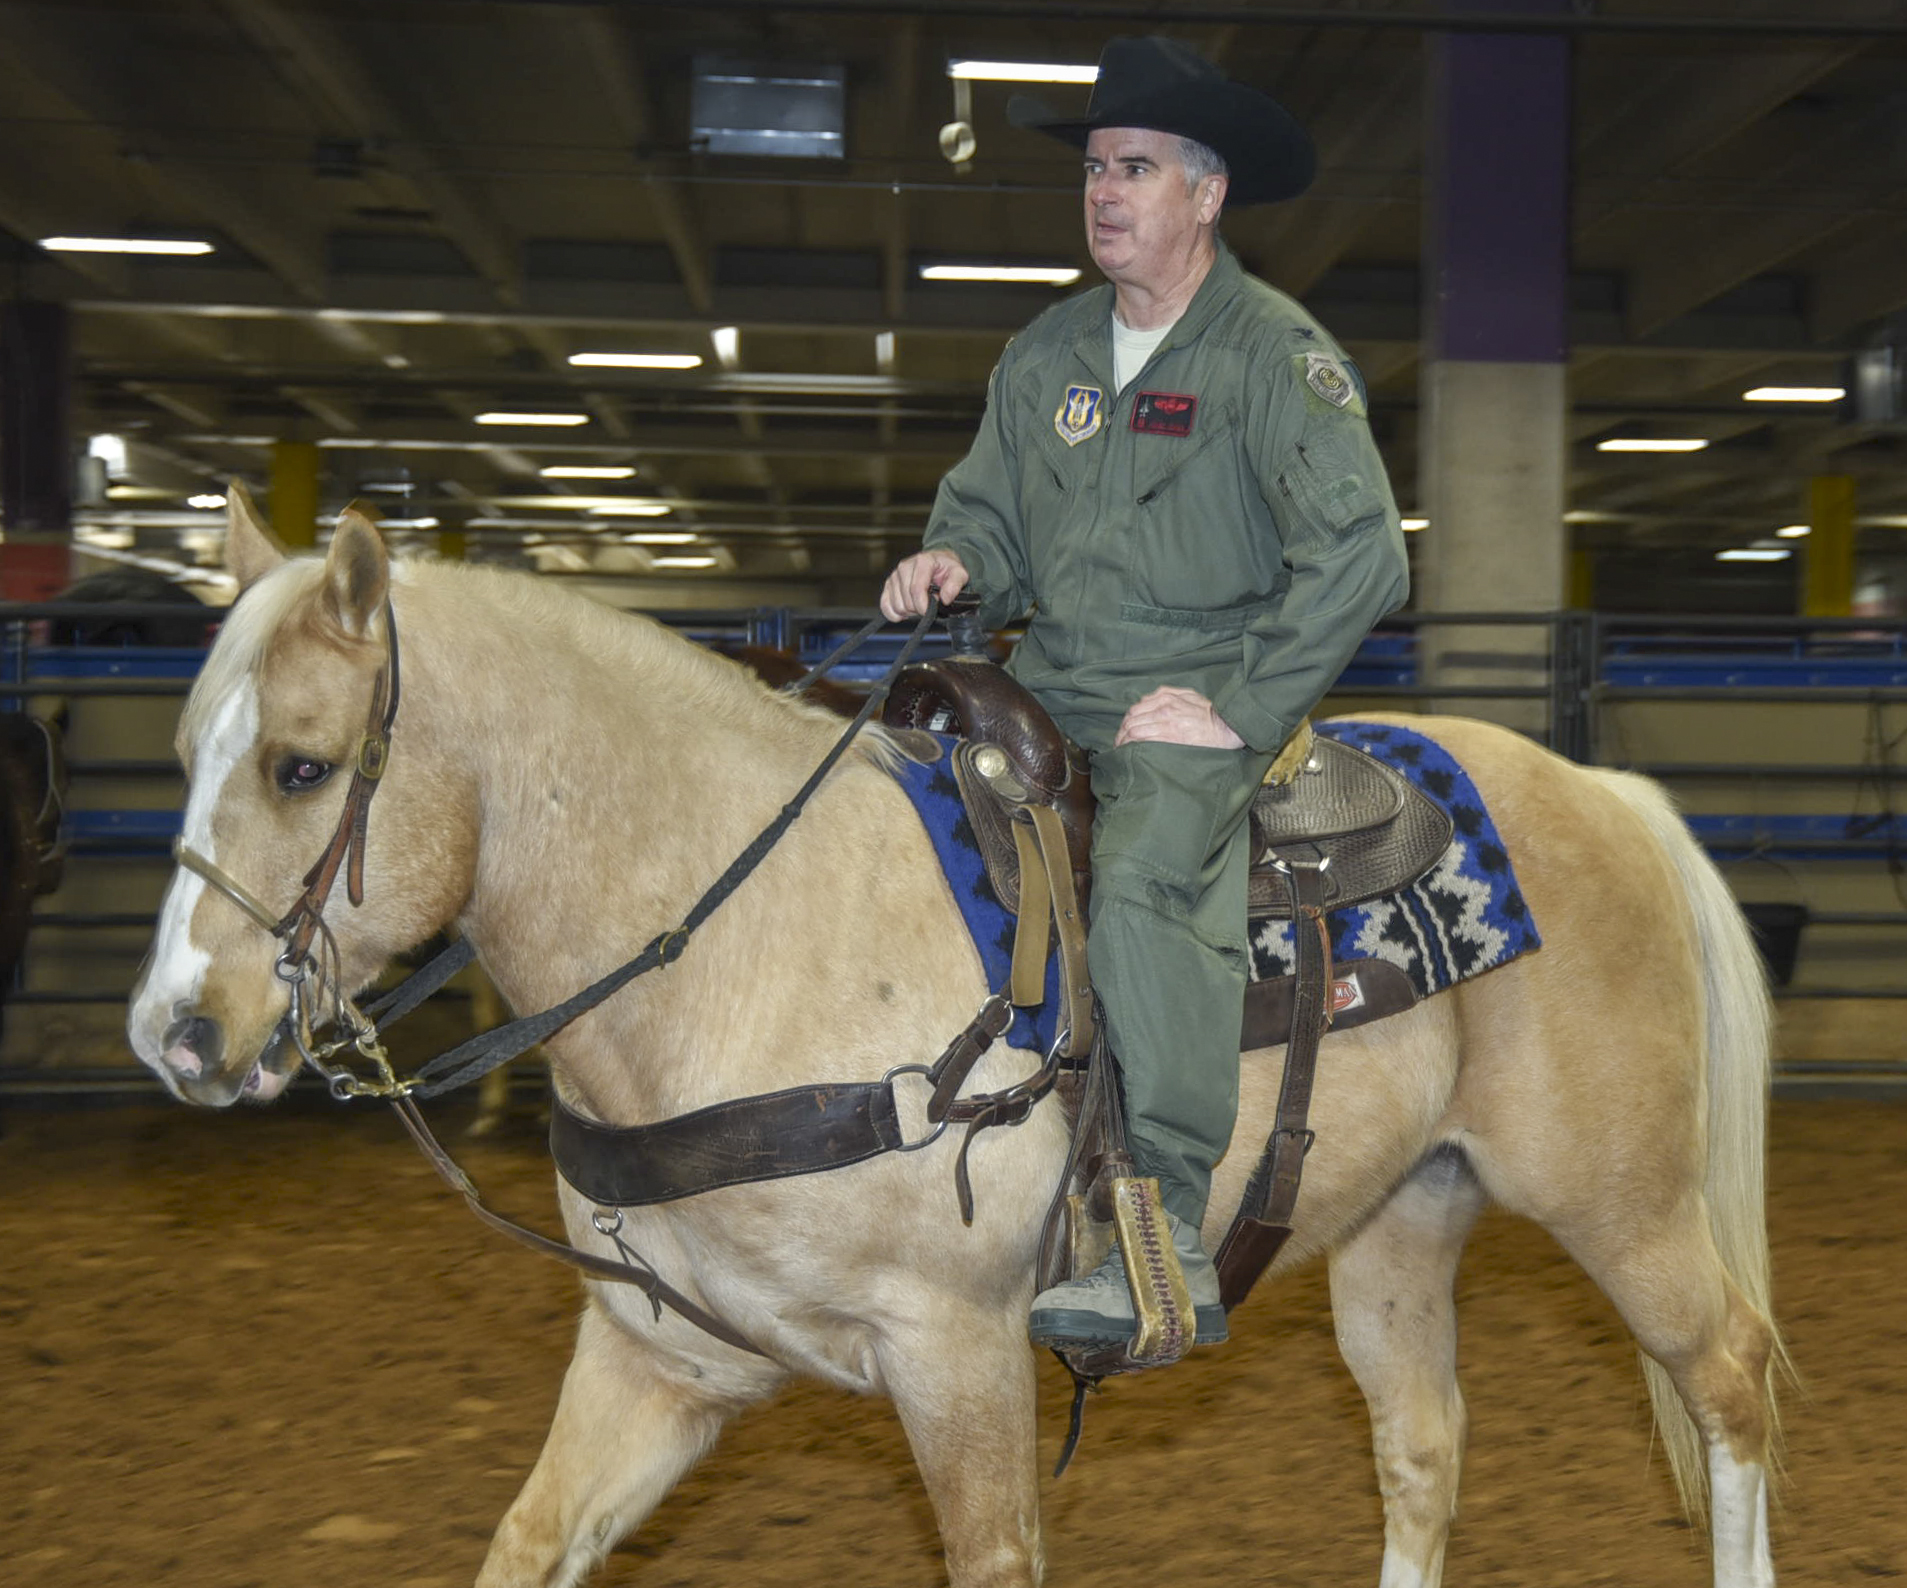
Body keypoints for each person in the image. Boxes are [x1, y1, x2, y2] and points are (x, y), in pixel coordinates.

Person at [880, 35, 1409, 1353]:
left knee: (1147, 873)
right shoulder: (1047, 350)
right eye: (1097, 167)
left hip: (1201, 690)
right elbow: (993, 522)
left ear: (1207, 195)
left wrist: (1238, 704)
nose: (1104, 189)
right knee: (889, 797)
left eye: (1136, 167)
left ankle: (1157, 1217)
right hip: (1049, 674)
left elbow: (1362, 558)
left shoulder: (1274, 357)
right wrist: (956, 561)